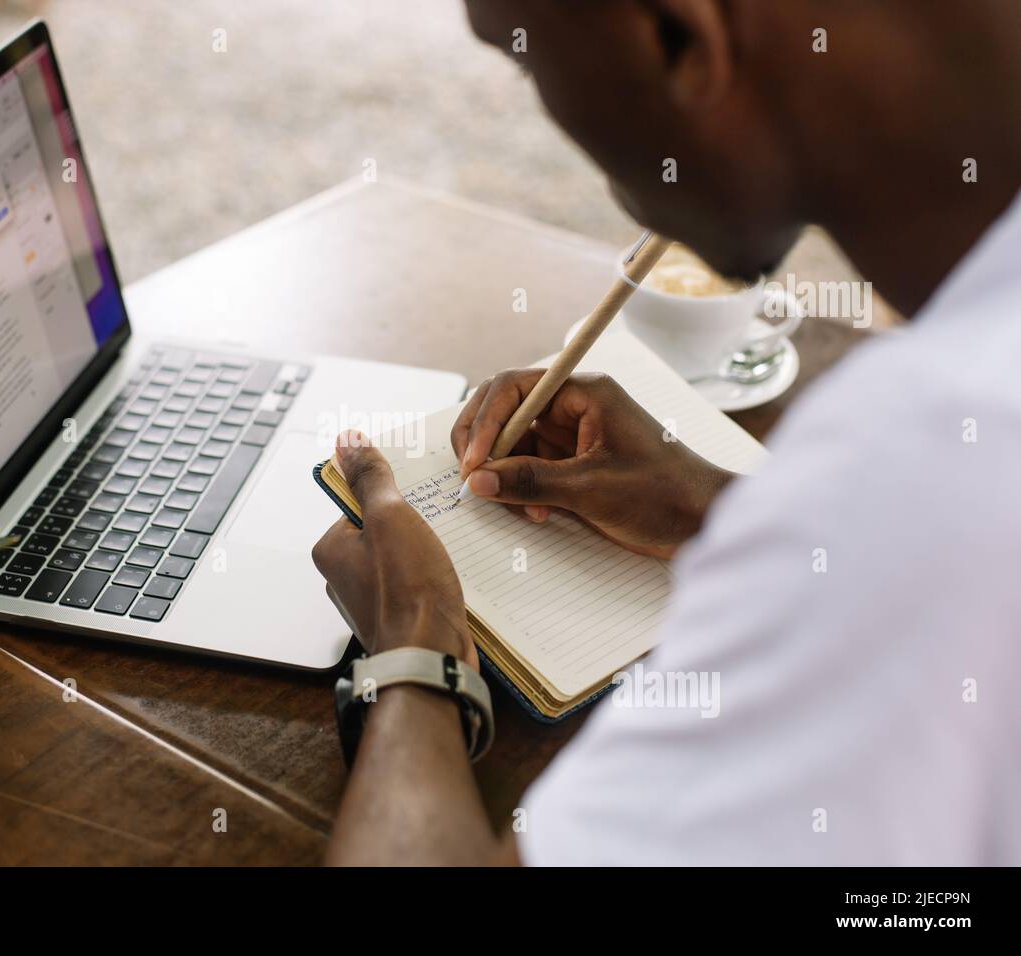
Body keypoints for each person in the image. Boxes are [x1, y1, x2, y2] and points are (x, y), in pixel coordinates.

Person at [311, 0, 1021, 865]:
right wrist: (729, 511)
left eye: (528, 60)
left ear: (675, 36)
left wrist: (414, 647)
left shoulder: (934, 455)